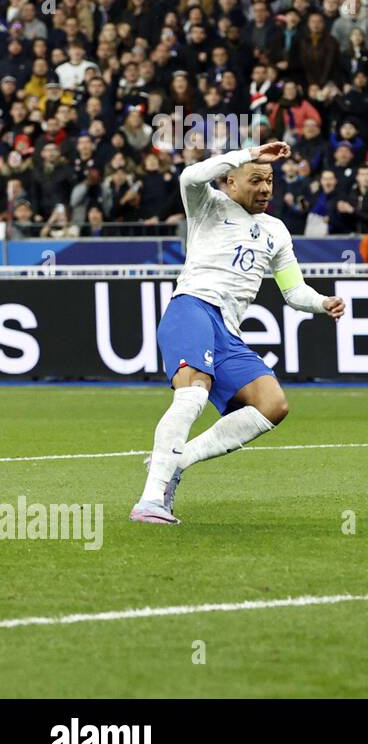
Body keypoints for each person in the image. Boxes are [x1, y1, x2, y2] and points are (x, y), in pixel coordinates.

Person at [130, 142, 347, 525]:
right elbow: (189, 175)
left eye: (270, 181)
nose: (265, 189)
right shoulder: (208, 205)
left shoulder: (276, 231)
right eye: (256, 180)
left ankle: (177, 461)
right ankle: (150, 500)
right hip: (192, 308)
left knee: (272, 404)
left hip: (228, 333)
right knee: (192, 397)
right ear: (230, 181)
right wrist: (249, 151)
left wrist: (321, 302)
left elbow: (293, 290)